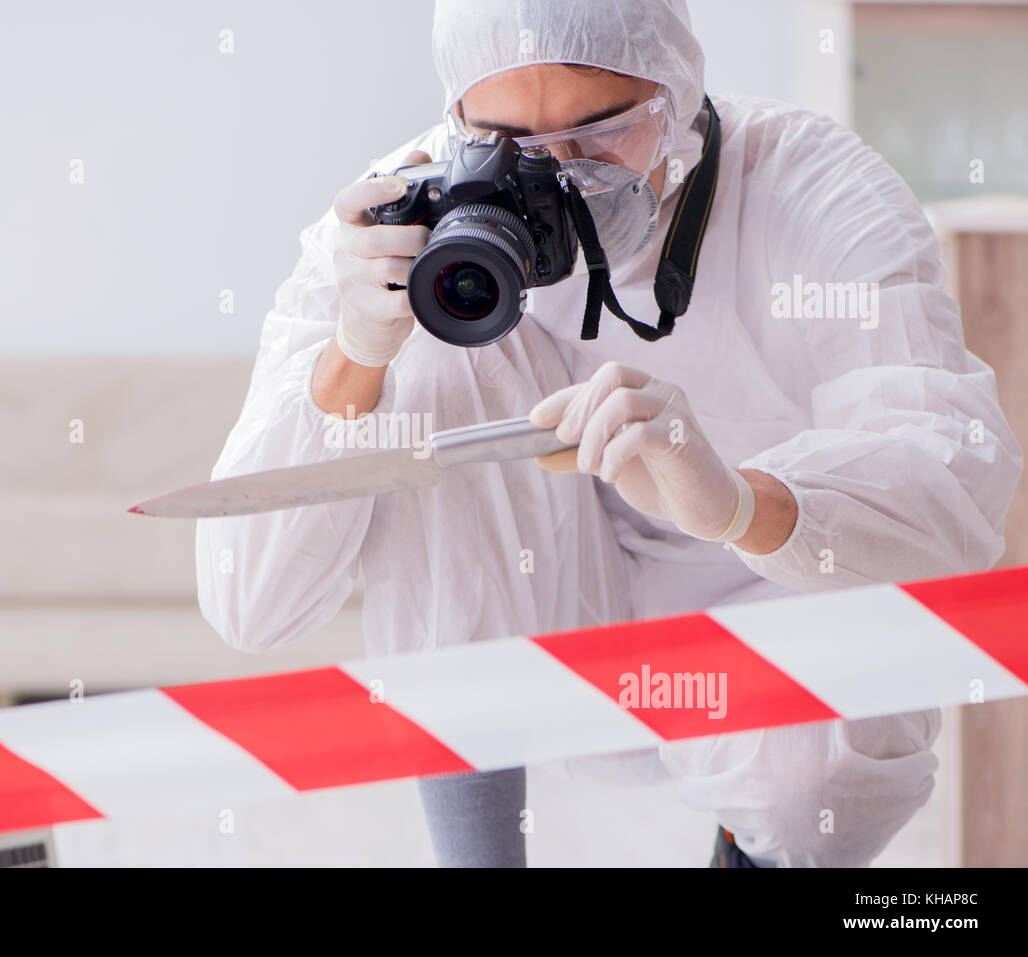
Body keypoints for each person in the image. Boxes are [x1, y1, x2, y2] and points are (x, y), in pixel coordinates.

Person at [196, 0, 1022, 867]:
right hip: (550, 637)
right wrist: (353, 357)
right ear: (458, 121)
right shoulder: (399, 216)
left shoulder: (813, 186)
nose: (557, 175)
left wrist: (743, 503)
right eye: (507, 139)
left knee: (805, 767)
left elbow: (957, 501)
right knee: (435, 357)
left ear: (678, 92)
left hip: (761, 623)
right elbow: (251, 605)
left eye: (602, 132)